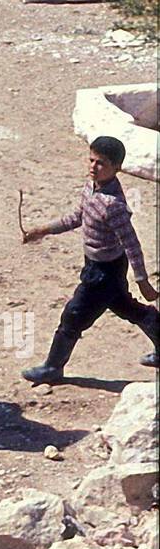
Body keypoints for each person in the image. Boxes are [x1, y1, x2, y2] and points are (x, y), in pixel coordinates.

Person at [21, 135, 159, 384]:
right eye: (92, 160)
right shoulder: (91, 188)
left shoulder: (113, 205)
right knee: (128, 308)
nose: (93, 167)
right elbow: (77, 217)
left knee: (73, 316)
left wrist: (142, 281)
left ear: (116, 168)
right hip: (98, 266)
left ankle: (52, 368)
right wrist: (43, 230)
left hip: (104, 272)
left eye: (101, 163)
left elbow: (132, 244)